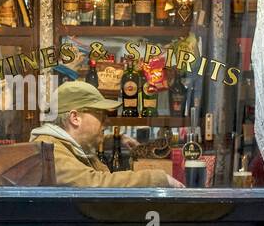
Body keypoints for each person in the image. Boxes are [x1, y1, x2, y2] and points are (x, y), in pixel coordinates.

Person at [29, 80, 184, 189]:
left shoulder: (63, 144)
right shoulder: (48, 151)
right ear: (75, 118)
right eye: (100, 115)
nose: (106, 122)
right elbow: (95, 184)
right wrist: (157, 178)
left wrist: (113, 139)